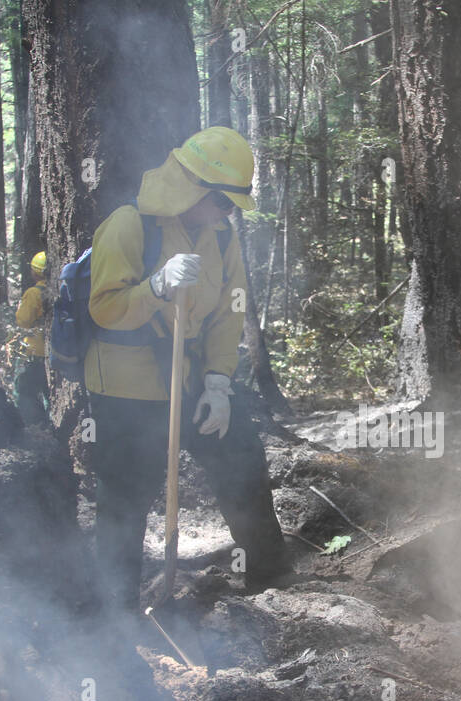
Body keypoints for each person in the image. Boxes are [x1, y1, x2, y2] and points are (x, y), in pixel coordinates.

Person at [85, 126, 292, 612]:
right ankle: (115, 613)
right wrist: (155, 286)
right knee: (125, 497)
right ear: (196, 188)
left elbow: (229, 312)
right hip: (126, 388)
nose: (230, 213)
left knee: (241, 460)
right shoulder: (128, 225)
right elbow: (105, 310)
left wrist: (219, 382)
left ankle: (269, 581)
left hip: (194, 376)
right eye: (225, 202)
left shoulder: (221, 238)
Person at [13, 251, 50, 424]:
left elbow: (24, 321)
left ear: (35, 272)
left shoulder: (34, 293)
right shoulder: (59, 290)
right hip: (53, 354)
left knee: (24, 391)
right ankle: (51, 424)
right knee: (48, 393)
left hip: (33, 352)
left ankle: (31, 425)